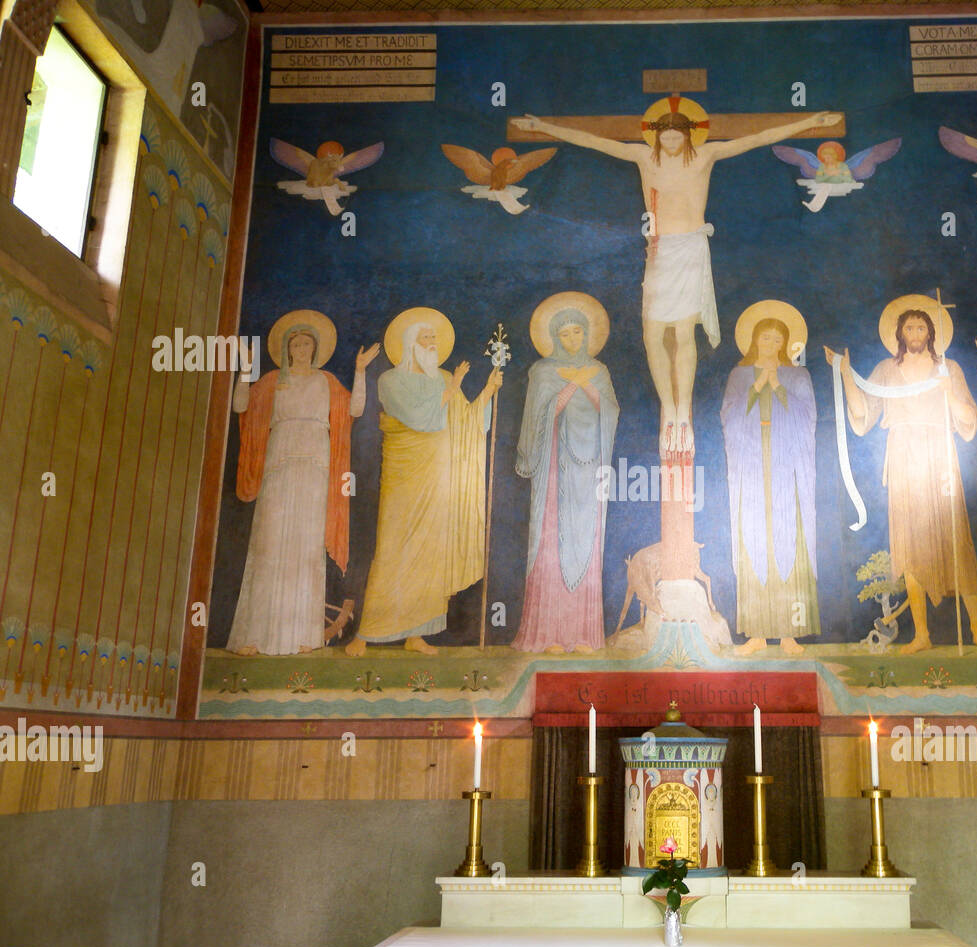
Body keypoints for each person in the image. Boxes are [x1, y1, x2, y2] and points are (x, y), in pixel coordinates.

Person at [513, 101, 839, 456]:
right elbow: (593, 141)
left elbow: (758, 137)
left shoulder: (706, 155)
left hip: (690, 250)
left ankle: (683, 415)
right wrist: (543, 127)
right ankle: (668, 409)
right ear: (657, 136)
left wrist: (810, 121)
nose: (669, 141)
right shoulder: (643, 158)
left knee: (684, 332)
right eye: (664, 135)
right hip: (660, 251)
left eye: (675, 135)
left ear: (686, 136)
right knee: (652, 333)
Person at [828, 296, 977, 654]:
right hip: (903, 454)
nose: (915, 332)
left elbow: (968, 420)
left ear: (931, 333)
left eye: (921, 327)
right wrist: (845, 373)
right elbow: (863, 415)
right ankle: (922, 634)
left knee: (956, 539)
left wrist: (949, 393)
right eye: (909, 327)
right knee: (909, 547)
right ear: (899, 333)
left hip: (939, 453)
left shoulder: (947, 369)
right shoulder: (886, 370)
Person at [345, 309, 502, 655]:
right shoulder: (391, 381)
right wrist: (453, 389)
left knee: (432, 551)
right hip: (405, 474)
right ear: (409, 344)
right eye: (425, 338)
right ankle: (365, 633)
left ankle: (416, 634)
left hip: (438, 474)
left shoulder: (444, 377)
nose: (431, 344)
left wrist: (488, 392)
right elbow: (419, 418)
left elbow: (465, 423)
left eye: (434, 339)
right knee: (393, 547)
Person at [228, 310, 378, 655]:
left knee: (306, 546)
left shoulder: (326, 381)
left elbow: (354, 410)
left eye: (307, 343)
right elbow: (240, 405)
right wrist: (246, 369)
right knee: (269, 544)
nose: (300, 348)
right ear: (286, 348)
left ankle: (303, 637)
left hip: (315, 464)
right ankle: (254, 637)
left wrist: (359, 371)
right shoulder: (271, 381)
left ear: (315, 349)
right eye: (295, 343)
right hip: (279, 461)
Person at [512, 294, 619, 653]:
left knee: (586, 540)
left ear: (588, 334)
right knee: (550, 540)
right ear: (556, 337)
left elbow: (610, 413)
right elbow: (537, 417)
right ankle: (550, 634)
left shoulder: (600, 371)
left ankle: (582, 635)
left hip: (589, 472)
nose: (574, 340)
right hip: (555, 468)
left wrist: (587, 383)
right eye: (566, 334)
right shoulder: (543, 372)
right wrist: (569, 384)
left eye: (578, 332)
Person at [721, 302, 819, 655]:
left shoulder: (797, 375)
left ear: (785, 343)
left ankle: (790, 634)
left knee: (788, 541)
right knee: (754, 542)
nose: (770, 343)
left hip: (787, 470)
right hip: (751, 468)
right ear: (754, 341)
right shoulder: (739, 374)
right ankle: (757, 634)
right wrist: (755, 386)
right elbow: (727, 417)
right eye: (765, 337)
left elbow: (809, 418)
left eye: (777, 339)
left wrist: (778, 386)